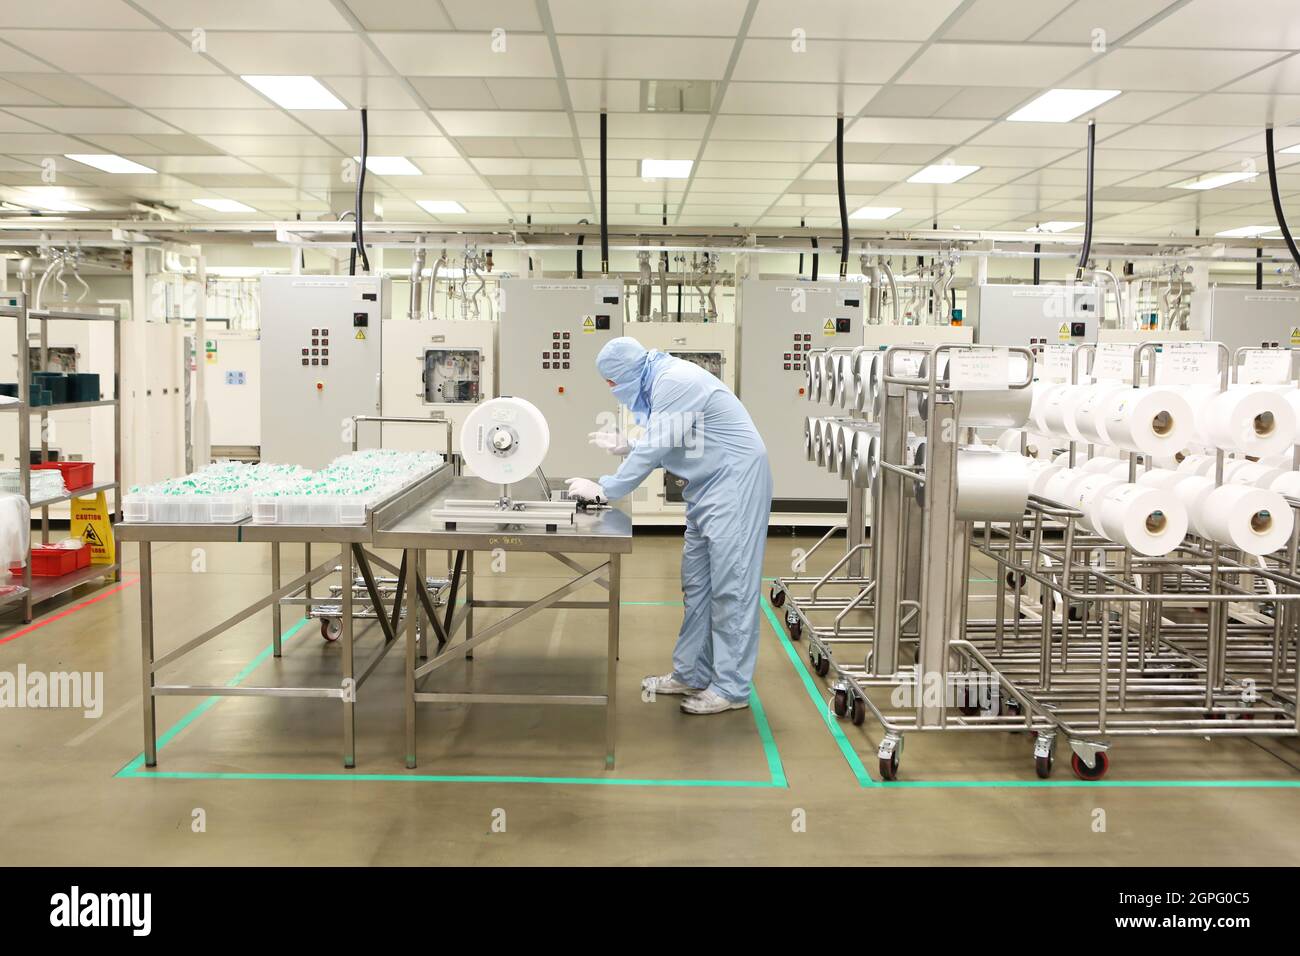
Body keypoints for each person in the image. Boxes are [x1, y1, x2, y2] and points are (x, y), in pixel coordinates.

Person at [566, 337, 773, 715]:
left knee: (732, 586)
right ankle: (692, 672)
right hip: (707, 486)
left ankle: (731, 688)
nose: (612, 390)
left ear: (626, 374)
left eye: (611, 383)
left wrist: (605, 488)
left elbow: (658, 445)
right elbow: (679, 440)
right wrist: (629, 445)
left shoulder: (675, 380)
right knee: (697, 584)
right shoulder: (657, 381)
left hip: (735, 484)